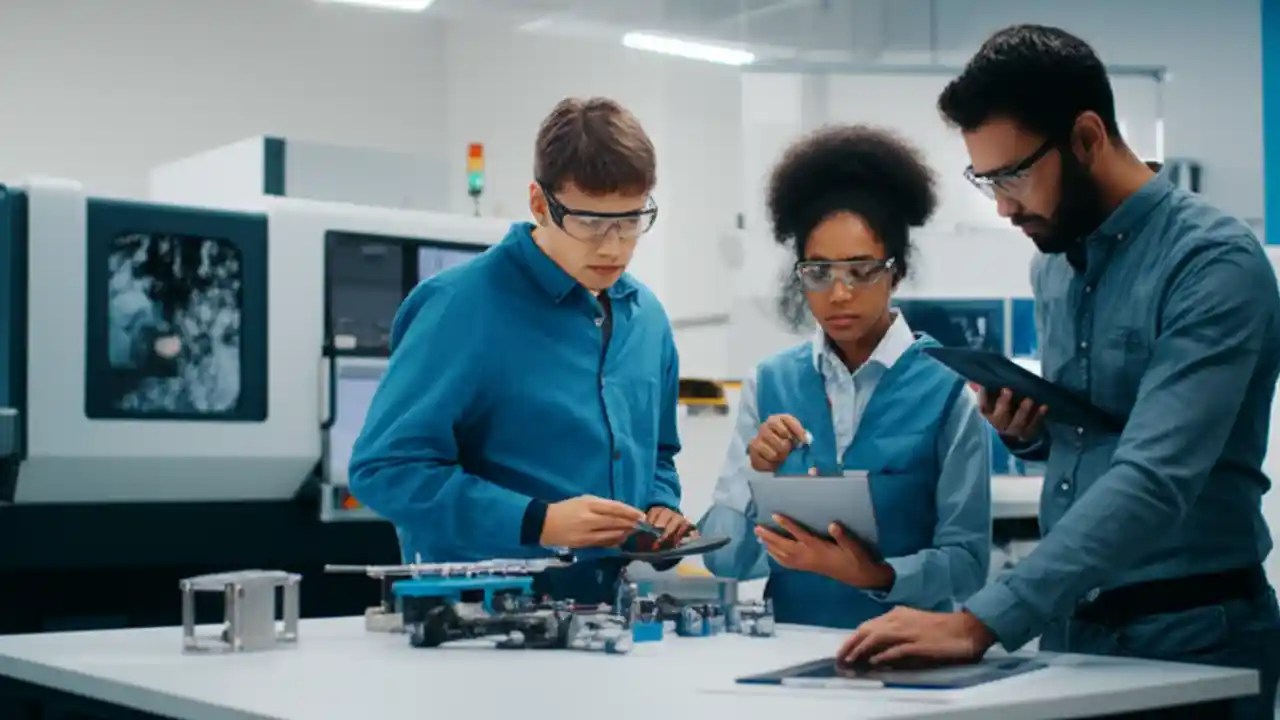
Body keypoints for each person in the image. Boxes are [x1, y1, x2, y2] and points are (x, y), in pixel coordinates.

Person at [837, 24, 1280, 719]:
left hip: (1191, 635)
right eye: (986, 180)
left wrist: (979, 621)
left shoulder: (1213, 264)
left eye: (1013, 175)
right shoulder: (1054, 259)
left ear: (1087, 137)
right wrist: (1032, 434)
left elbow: (1156, 476)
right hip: (1074, 626)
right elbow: (1098, 436)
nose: (1004, 206)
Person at [348, 97, 694, 604]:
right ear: (538, 203)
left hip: (606, 616)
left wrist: (660, 506)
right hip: (478, 623)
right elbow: (386, 470)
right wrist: (539, 521)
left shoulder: (648, 319)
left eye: (630, 220)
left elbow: (659, 453)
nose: (613, 246)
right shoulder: (458, 309)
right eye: (591, 222)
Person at [697, 125, 992, 629]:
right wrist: (758, 477)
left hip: (908, 653)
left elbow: (967, 565)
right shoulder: (771, 383)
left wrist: (877, 575)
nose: (838, 294)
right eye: (818, 273)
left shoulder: (947, 387)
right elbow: (726, 559)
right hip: (789, 654)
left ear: (896, 272)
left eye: (861, 272)